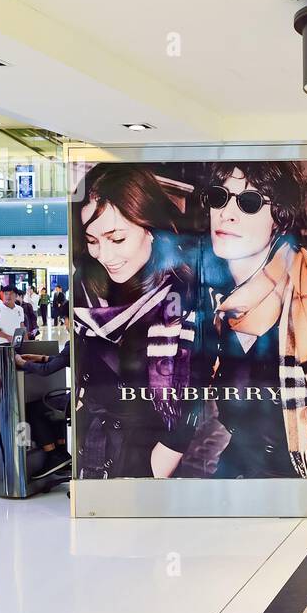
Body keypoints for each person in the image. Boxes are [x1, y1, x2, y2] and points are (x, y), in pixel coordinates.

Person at [198, 161, 307, 479]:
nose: (227, 213)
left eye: (250, 202)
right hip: (238, 462)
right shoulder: (210, 296)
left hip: (297, 468)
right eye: (219, 197)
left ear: (279, 219)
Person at [71, 163, 199, 479]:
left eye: (116, 238)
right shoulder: (85, 287)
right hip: (93, 448)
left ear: (151, 230)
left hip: (149, 454)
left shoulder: (183, 295)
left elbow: (198, 391)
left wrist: (159, 462)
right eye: (92, 239)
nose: (104, 254)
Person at [15, 345, 71, 478]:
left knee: (35, 410)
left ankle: (53, 455)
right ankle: (62, 453)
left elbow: (45, 371)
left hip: (81, 400)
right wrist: (42, 358)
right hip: (93, 398)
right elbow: (65, 359)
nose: (65, 324)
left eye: (66, 322)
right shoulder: (89, 339)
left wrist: (22, 363)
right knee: (54, 406)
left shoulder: (74, 341)